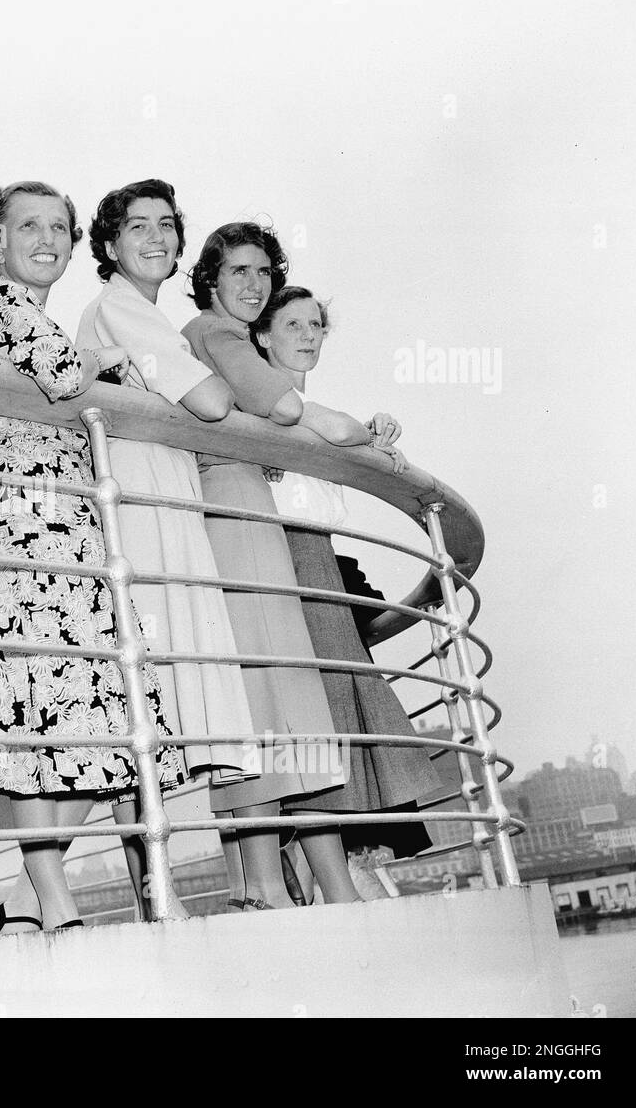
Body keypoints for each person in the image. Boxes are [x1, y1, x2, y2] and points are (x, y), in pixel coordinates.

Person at [0, 181, 183, 931]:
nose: (48, 239)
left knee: (90, 707)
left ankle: (26, 895)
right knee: (40, 702)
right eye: (29, 226)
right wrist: (106, 357)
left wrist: (95, 360)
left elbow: (73, 369)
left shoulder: (37, 313)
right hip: (26, 516)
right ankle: (51, 900)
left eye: (59, 226)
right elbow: (64, 373)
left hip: (68, 519)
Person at [75, 179, 259, 916]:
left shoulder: (138, 313)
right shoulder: (120, 307)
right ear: (111, 245)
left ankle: (159, 884)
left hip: (158, 504)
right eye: (137, 226)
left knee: (155, 713)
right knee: (151, 706)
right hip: (142, 516)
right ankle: (154, 887)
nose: (156, 238)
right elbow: (213, 403)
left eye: (166, 227)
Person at [181, 223, 351, 909]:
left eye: (261, 273)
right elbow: (283, 406)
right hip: (233, 513)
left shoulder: (229, 342)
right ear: (212, 279)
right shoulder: (213, 333)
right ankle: (265, 885)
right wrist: (360, 431)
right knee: (267, 701)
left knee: (281, 705)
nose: (251, 284)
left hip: (247, 510)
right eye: (238, 271)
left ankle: (289, 885)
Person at [256, 285, 445, 871]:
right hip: (286, 562)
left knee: (347, 704)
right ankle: (322, 870)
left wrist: (371, 431)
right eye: (293, 325)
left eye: (316, 326)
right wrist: (365, 437)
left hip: (325, 561)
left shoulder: (314, 415)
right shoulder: (262, 410)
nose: (309, 336)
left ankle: (348, 862)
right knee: (323, 709)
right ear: (261, 335)